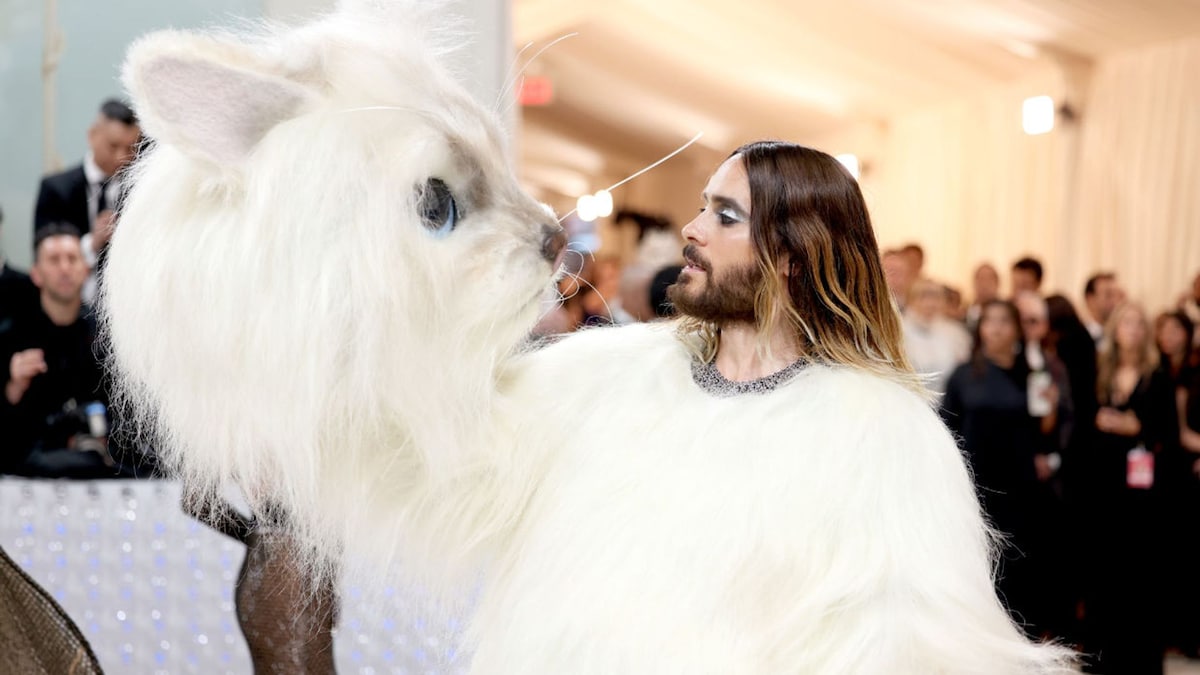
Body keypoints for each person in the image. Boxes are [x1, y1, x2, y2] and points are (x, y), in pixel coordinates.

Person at [102, 11, 1076, 669]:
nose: (690, 232)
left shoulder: (882, 434)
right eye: (701, 208)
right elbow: (440, 463)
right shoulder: (613, 375)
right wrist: (301, 338)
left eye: (725, 218)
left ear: (793, 258)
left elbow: (929, 644)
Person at [0, 225, 124, 478]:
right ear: (36, 274)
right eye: (54, 260)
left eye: (72, 259)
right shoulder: (11, 338)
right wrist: (11, 388)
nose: (65, 268)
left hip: (100, 472)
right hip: (26, 474)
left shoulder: (109, 338)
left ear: (85, 268)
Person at [34, 99, 140, 304]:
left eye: (130, 148)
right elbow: (41, 258)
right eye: (113, 145)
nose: (122, 157)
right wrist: (91, 243)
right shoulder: (56, 189)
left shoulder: (140, 192)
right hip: (67, 312)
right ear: (92, 135)